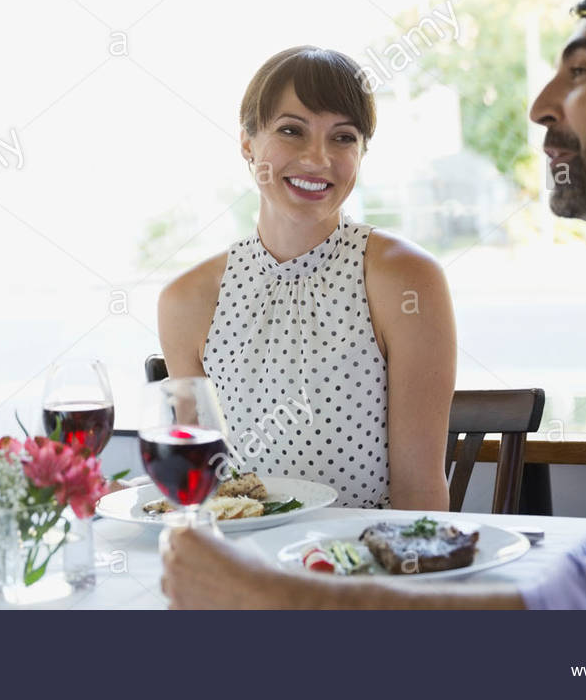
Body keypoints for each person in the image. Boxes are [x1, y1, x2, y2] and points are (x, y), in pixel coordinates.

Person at [161, 0, 586, 609]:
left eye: (581, 72)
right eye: (291, 130)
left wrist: (286, 600)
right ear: (248, 145)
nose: (539, 107)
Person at [157, 47, 456, 510]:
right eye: (291, 131)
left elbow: (419, 494)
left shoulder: (407, 280)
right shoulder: (186, 300)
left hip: (357, 568)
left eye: (343, 137)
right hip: (237, 569)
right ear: (247, 144)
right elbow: (198, 491)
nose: (318, 159)